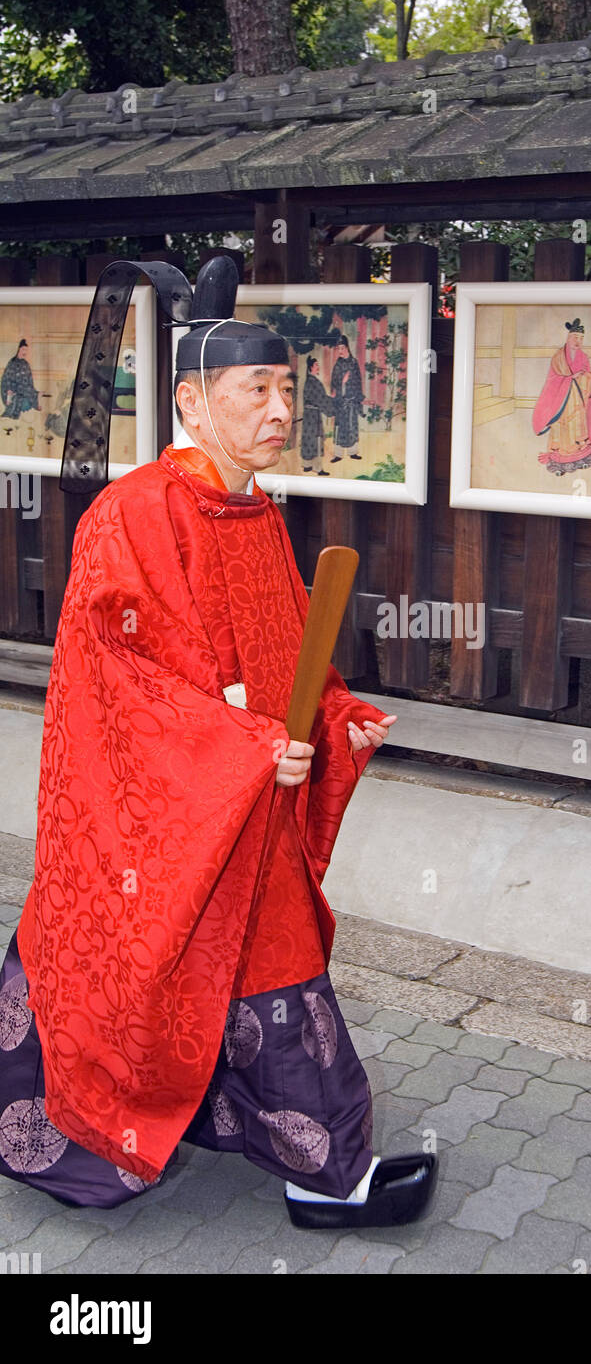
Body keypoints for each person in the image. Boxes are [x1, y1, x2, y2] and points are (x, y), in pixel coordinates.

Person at [0, 258, 438, 1230]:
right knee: (198, 962)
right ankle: (318, 1177)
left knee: (252, 969)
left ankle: (320, 1171)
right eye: (258, 390)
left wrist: (332, 716)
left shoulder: (256, 512)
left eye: (288, 387)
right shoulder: (134, 513)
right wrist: (240, 748)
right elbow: (118, 678)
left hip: (248, 795)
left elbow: (288, 643)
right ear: (192, 402)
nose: (281, 408)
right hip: (183, 803)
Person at [532, 318, 591, 476]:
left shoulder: (583, 357)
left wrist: (582, 377)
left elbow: (588, 375)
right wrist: (570, 377)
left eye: (581, 338)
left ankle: (578, 458)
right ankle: (559, 460)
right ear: (568, 338)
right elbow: (554, 377)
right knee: (561, 426)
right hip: (561, 399)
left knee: (577, 427)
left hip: (577, 398)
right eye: (575, 337)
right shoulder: (558, 357)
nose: (578, 341)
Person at [330, 334, 364, 461]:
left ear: (347, 348)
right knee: (340, 428)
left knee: (352, 426)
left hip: (352, 402)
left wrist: (358, 398)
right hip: (340, 403)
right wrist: (342, 382)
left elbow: (358, 381)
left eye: (342, 348)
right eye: (338, 349)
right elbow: (333, 383)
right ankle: (338, 454)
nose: (340, 351)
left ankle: (353, 452)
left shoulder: (354, 363)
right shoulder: (337, 364)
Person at [301, 355, 334, 474]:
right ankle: (318, 468)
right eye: (316, 365)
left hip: (309, 415)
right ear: (311, 368)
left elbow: (320, 398)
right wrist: (333, 403)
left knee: (308, 439)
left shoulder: (310, 381)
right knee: (316, 439)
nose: (318, 367)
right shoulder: (313, 382)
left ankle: (307, 465)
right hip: (314, 416)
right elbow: (321, 399)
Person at [1, 338, 40, 419]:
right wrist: (9, 390)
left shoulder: (26, 364)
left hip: (25, 391)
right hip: (13, 391)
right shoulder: (12, 363)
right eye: (23, 349)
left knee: (34, 394)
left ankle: (35, 402)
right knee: (18, 398)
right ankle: (11, 413)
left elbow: (30, 381)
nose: (25, 352)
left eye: (26, 350)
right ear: (19, 349)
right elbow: (7, 379)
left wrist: (32, 391)